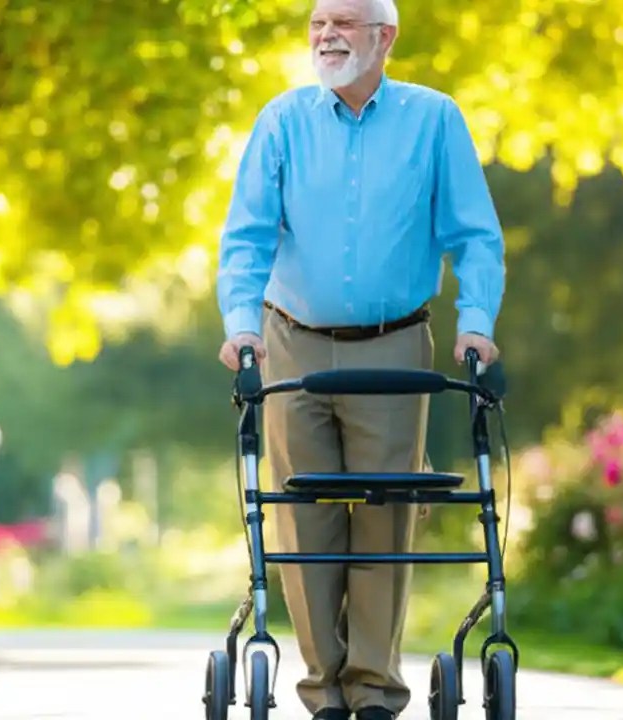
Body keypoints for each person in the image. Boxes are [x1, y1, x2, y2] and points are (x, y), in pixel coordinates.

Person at [215, 0, 505, 717]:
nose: (327, 35)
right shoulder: (282, 121)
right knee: (303, 519)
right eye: (318, 23)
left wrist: (476, 322)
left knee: (385, 514)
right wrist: (239, 325)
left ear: (386, 36)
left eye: (344, 22)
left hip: (396, 345)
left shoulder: (434, 120)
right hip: (292, 343)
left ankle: (373, 690)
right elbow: (246, 238)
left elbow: (475, 234)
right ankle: (324, 691)